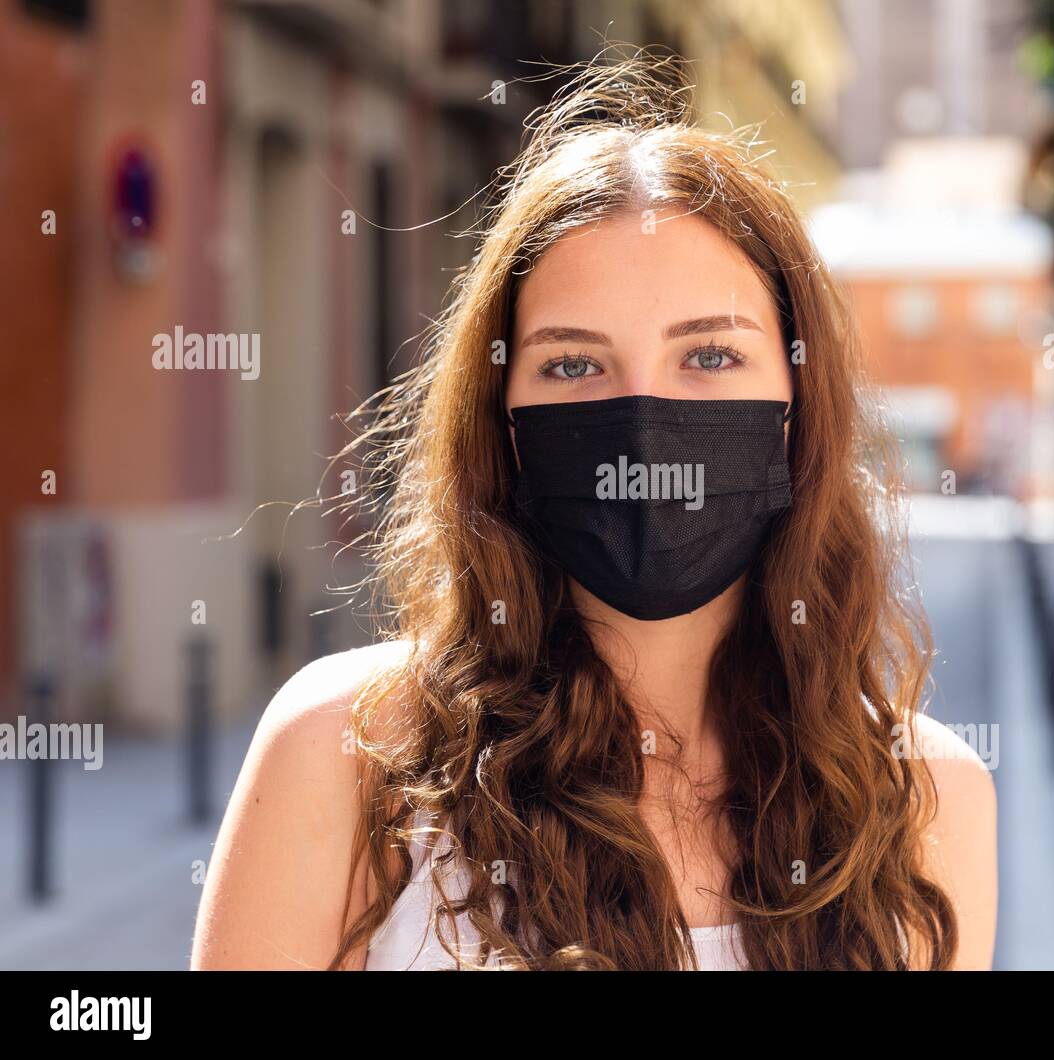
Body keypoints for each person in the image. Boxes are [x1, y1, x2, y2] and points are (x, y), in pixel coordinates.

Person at [191, 51, 996, 971]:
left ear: (798, 408)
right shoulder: (349, 761)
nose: (645, 422)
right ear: (502, 422)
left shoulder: (931, 804)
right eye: (573, 364)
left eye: (710, 356)